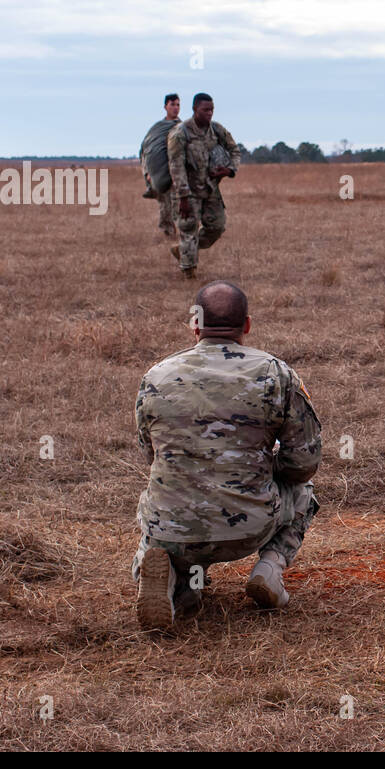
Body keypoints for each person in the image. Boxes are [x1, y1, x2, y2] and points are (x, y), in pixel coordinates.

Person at [130, 281, 322, 630]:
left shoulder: (156, 376)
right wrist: (262, 464)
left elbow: (153, 455)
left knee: (164, 514)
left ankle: (172, 579)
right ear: (246, 325)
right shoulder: (276, 375)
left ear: (195, 325)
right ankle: (269, 570)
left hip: (173, 526)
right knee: (304, 496)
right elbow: (304, 463)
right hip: (249, 527)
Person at [167, 93, 242, 278]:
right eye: (205, 110)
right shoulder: (180, 133)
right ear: (194, 110)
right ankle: (189, 273)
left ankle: (183, 250)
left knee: (217, 226)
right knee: (188, 229)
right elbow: (176, 166)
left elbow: (234, 150)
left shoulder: (216, 130)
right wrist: (183, 196)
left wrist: (229, 170)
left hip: (210, 189)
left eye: (212, 110)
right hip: (187, 191)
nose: (209, 113)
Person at [142, 93, 181, 238]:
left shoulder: (183, 127)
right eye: (172, 104)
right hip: (160, 173)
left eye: (177, 105)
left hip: (178, 172)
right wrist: (148, 173)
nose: (175, 108)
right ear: (165, 107)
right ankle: (168, 235)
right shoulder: (157, 128)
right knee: (165, 206)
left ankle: (185, 234)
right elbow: (147, 150)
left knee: (180, 205)